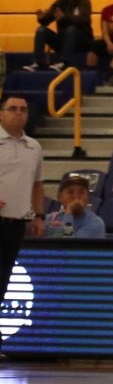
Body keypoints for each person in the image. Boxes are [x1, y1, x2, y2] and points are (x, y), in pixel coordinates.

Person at [0, 97, 44, 349]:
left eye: (23, 110)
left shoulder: (33, 147)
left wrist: (38, 215)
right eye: (12, 109)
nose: (18, 114)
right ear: (1, 114)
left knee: (4, 280)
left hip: (16, 222)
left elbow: (37, 184)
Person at [33, 0, 93, 70]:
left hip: (82, 41)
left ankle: (63, 62)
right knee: (41, 30)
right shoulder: (60, 2)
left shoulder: (85, 2)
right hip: (63, 40)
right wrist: (41, 17)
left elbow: (83, 19)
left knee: (71, 29)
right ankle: (38, 62)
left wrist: (65, 17)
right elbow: (47, 20)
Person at [45, 175, 105, 239]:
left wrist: (69, 211)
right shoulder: (49, 218)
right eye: (70, 192)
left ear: (87, 197)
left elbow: (69, 243)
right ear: (60, 197)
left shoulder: (95, 223)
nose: (76, 196)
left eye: (81, 192)